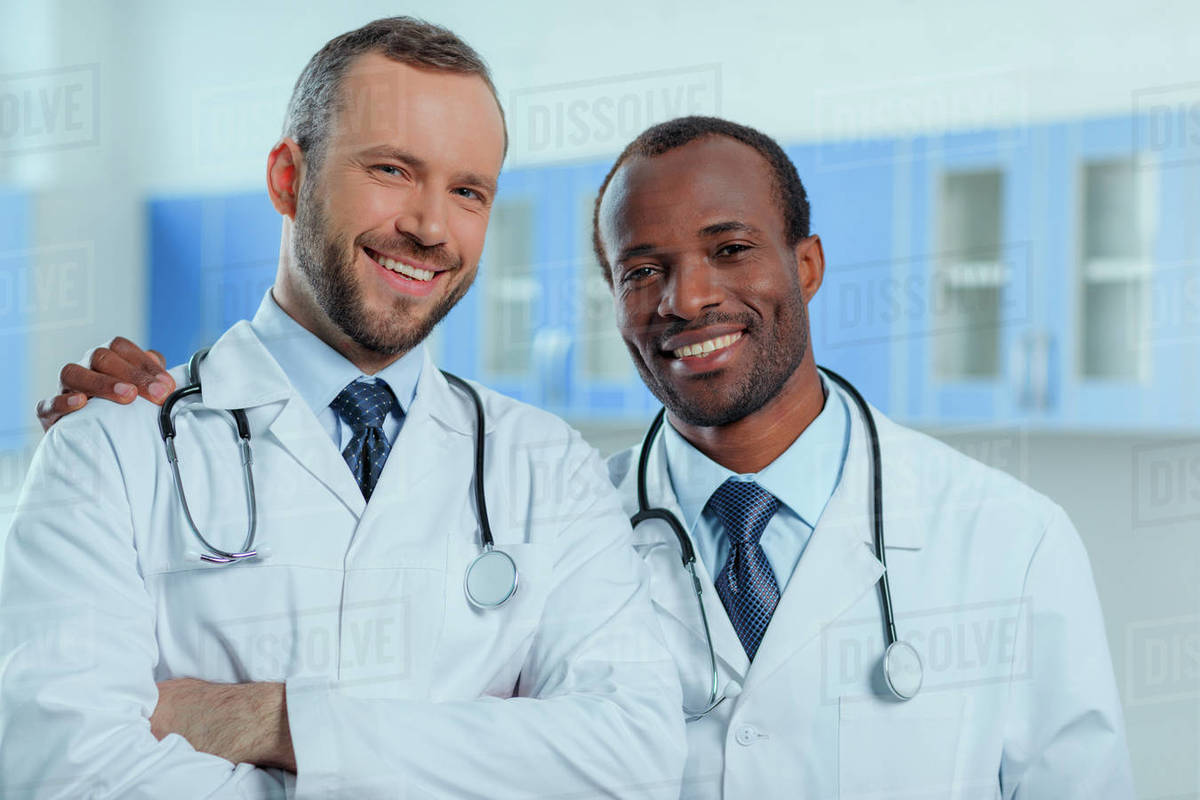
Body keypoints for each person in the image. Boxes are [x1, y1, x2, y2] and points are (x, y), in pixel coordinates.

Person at [34, 117, 1135, 799]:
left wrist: (261, 718)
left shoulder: (1010, 540)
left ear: (805, 263)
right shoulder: (553, 525)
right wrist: (134, 437)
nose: (687, 298)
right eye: (641, 268)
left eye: (731, 249)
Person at [0, 18, 687, 800]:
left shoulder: (547, 463)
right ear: (288, 179)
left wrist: (278, 724)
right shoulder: (110, 448)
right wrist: (484, 757)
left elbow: (633, 758)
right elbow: (67, 770)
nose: (430, 226)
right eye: (392, 169)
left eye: (467, 191)